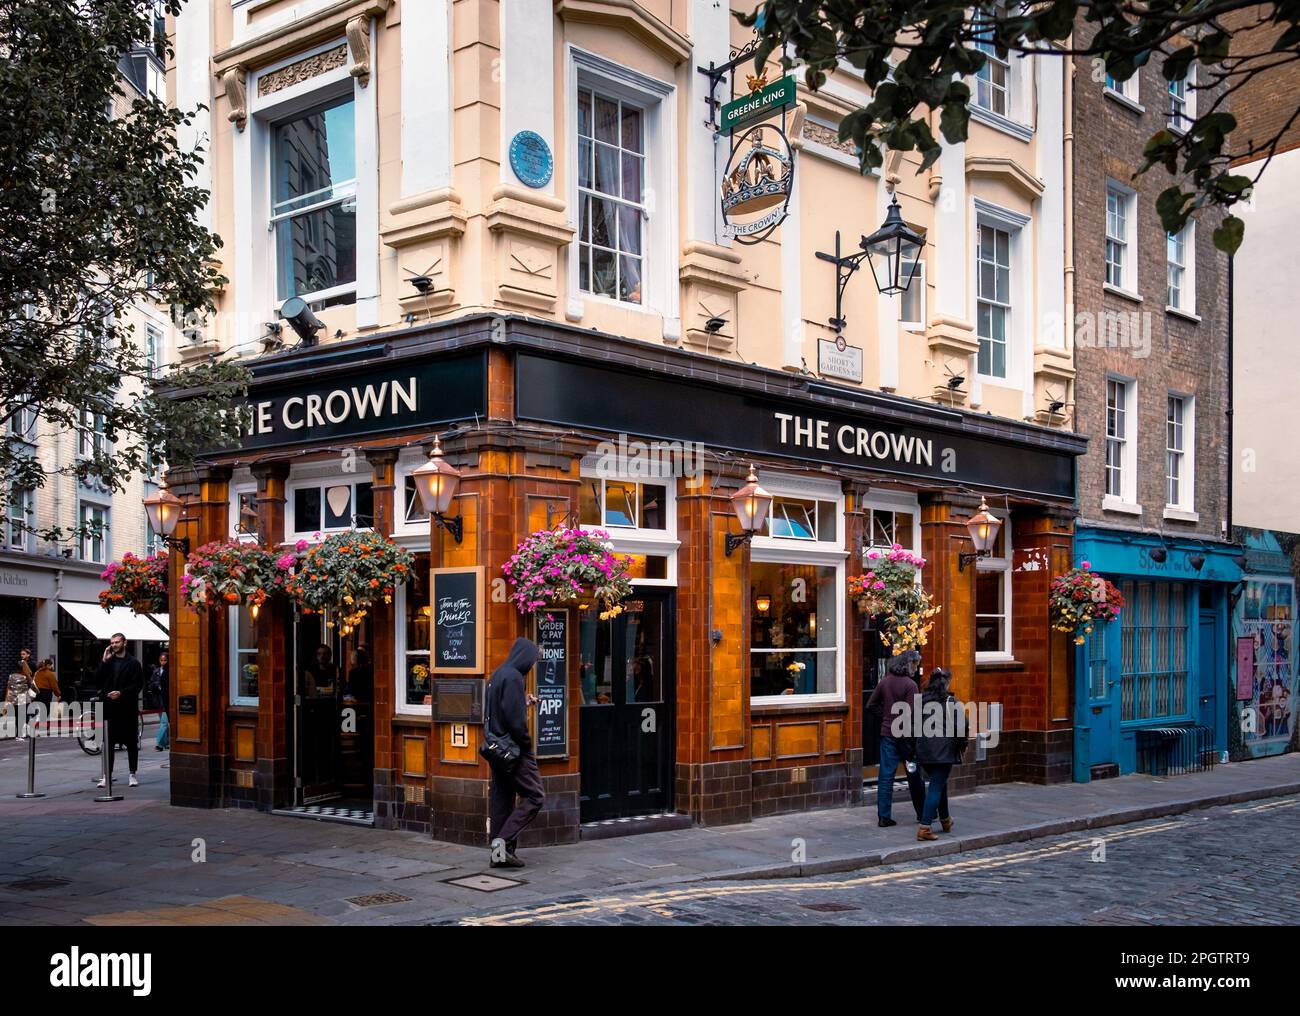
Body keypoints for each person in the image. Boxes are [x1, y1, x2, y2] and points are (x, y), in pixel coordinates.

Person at [485, 637, 545, 869]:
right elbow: (515, 721)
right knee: (535, 796)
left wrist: (523, 701)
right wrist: (526, 745)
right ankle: (502, 841)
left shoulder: (498, 674)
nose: (532, 666)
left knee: (502, 800)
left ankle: (500, 855)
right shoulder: (513, 677)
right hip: (514, 750)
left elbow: (500, 709)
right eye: (532, 661)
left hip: (497, 749)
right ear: (524, 657)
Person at [866, 649, 925, 828]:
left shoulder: (885, 682)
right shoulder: (911, 685)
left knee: (885, 776)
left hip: (888, 735)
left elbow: (870, 705)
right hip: (906, 738)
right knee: (914, 775)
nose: (916, 668)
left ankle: (884, 817)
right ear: (907, 664)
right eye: (914, 664)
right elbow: (911, 713)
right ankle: (923, 814)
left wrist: (886, 716)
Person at [914, 668, 967, 842]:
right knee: (936, 787)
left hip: (924, 751)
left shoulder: (920, 702)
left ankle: (945, 820)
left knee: (940, 783)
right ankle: (925, 827)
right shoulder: (952, 702)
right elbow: (962, 728)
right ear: (946, 684)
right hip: (943, 752)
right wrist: (963, 746)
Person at [94, 633, 144, 788]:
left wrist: (121, 693)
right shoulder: (108, 662)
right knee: (108, 743)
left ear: (125, 642)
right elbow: (97, 680)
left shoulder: (134, 663)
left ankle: (132, 773)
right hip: (110, 708)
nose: (114, 645)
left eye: (117, 642)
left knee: (131, 742)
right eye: (112, 643)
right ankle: (106, 775)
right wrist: (103, 660)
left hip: (127, 708)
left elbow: (138, 685)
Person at [153, 651, 170, 751]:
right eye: (161, 660)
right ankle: (164, 742)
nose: (163, 662)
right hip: (159, 700)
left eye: (165, 660)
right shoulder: (156, 671)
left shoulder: (169, 670)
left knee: (164, 723)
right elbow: (151, 683)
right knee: (164, 723)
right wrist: (157, 686)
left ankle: (159, 744)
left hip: (166, 700)